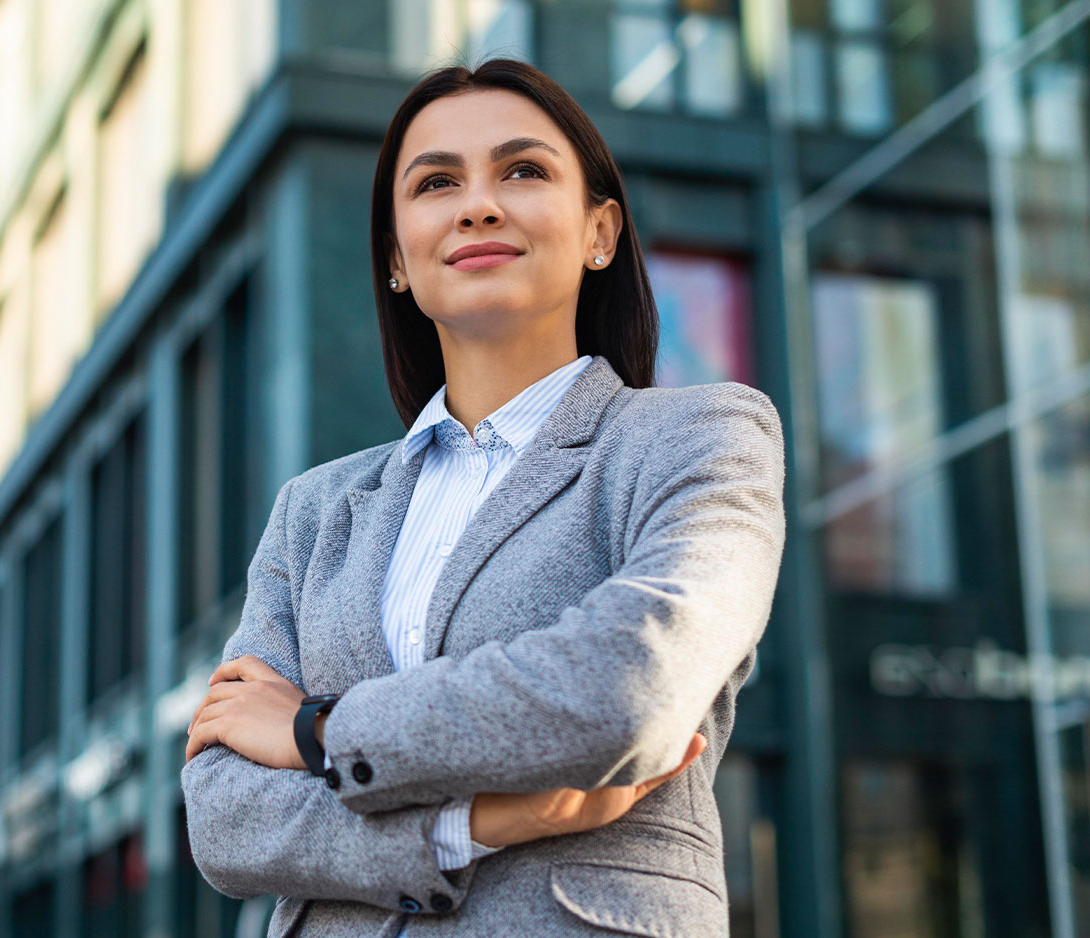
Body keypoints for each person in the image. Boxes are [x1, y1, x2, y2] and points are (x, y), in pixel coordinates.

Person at [179, 57, 786, 937]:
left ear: (599, 231)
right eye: (435, 183)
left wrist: (317, 731)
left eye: (523, 171)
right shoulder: (314, 511)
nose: (477, 206)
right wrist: (471, 824)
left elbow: (630, 685)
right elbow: (226, 820)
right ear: (396, 257)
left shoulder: (698, 436)